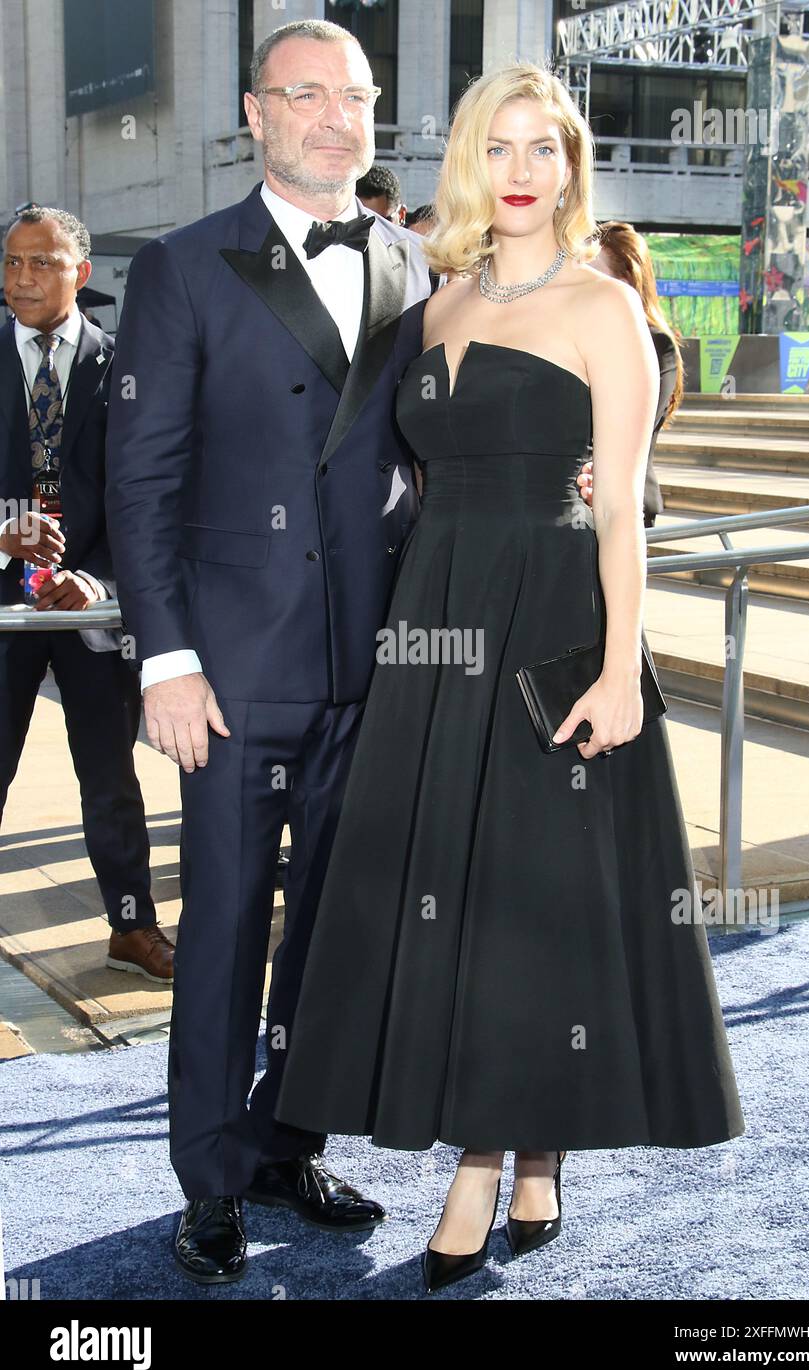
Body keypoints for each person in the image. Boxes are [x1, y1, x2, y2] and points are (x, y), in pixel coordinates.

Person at [274, 61, 745, 1295]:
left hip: (550, 625)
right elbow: (406, 479)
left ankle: (480, 1164)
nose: (524, 172)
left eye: (547, 150)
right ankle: (534, 1152)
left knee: (527, 903)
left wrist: (621, 668)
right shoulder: (428, 308)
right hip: (437, 633)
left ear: (572, 168)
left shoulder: (604, 311)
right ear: (469, 162)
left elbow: (623, 517)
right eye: (501, 148)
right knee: (464, 893)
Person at [104, 19, 437, 1285]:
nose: (330, 116)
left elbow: (425, 443)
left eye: (349, 95)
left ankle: (290, 1137)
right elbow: (140, 479)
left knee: (333, 932)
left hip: (378, 659)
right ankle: (209, 1175)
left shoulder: (410, 258)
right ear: (256, 114)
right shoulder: (186, 265)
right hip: (234, 671)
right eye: (303, 96)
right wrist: (164, 660)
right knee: (231, 924)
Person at [0, 207, 166, 981]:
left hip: (91, 608)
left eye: (42, 263)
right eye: (11, 263)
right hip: (3, 605)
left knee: (109, 775)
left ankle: (130, 928)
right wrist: (2, 532)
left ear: (82, 272)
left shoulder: (127, 364)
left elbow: (147, 491)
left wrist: (95, 578)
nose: (22, 278)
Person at [577, 220, 684, 527]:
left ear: (626, 280)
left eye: (593, 273)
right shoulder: (580, 334)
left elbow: (626, 428)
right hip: (582, 499)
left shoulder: (655, 343)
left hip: (622, 506)